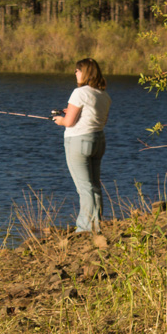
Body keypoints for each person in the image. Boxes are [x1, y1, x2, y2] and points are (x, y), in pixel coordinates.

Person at [52, 58, 111, 233]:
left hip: (78, 142)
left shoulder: (79, 93)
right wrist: (70, 112)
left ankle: (85, 228)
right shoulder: (104, 95)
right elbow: (100, 120)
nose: (75, 74)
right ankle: (96, 224)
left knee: (84, 187)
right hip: (98, 140)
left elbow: (69, 122)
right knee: (94, 185)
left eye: (77, 71)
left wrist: (60, 120)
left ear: (84, 73)